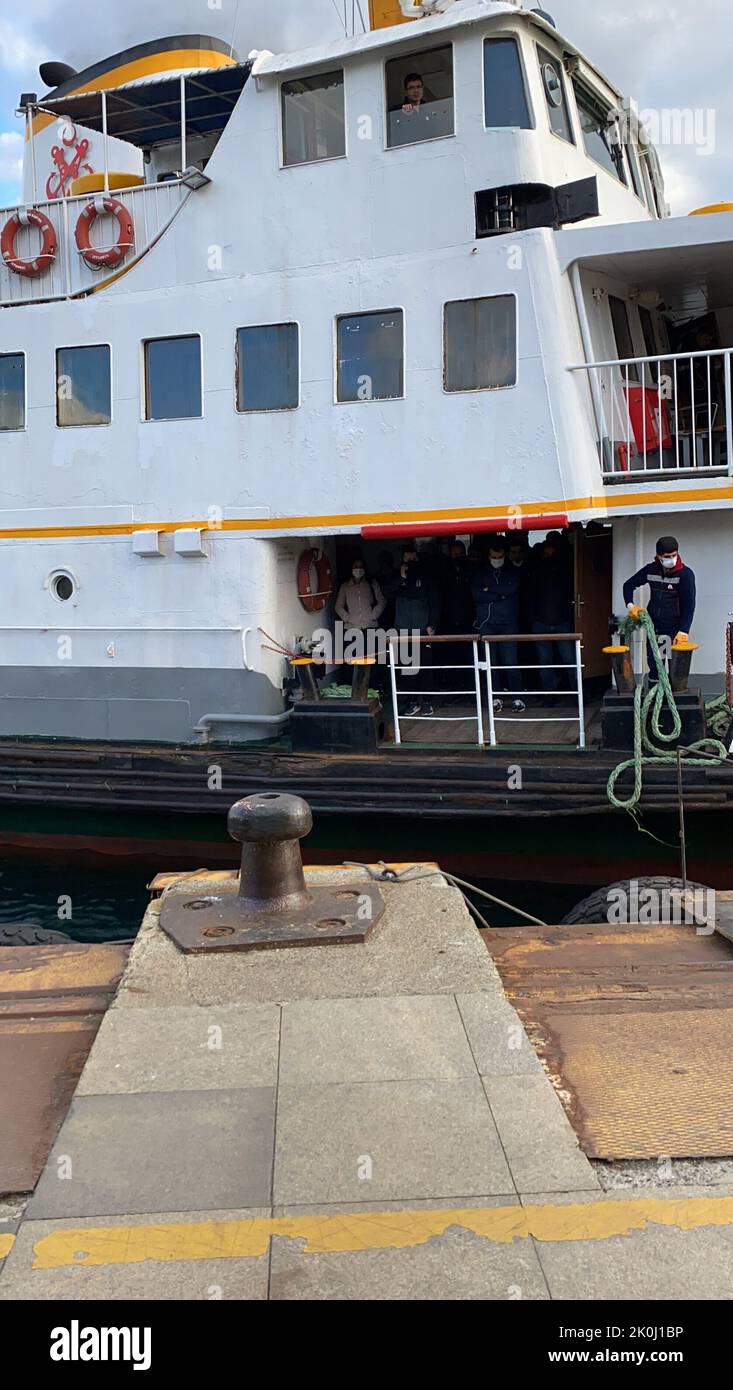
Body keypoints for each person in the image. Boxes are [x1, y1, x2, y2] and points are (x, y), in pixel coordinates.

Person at [622, 535, 696, 672]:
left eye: (674, 555)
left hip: (675, 631)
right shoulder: (651, 570)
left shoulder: (685, 575)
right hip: (655, 628)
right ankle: (655, 691)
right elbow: (628, 585)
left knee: (675, 670)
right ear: (659, 556)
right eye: (667, 556)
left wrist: (684, 631)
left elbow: (689, 605)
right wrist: (631, 606)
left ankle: (671, 692)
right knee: (657, 668)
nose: (671, 559)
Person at [471, 541, 525, 713]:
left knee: (510, 661)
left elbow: (512, 589)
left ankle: (517, 698)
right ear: (488, 556)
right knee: (490, 662)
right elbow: (477, 595)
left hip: (509, 623)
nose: (497, 560)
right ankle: (495, 697)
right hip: (487, 623)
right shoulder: (480, 572)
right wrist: (500, 594)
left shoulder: (512, 570)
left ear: (505, 555)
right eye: (494, 557)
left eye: (500, 557)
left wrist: (490, 590)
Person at [388, 545, 441, 718]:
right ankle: (411, 702)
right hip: (402, 629)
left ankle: (427, 702)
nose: (410, 562)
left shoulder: (427, 576)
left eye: (413, 558)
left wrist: (432, 624)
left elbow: (435, 601)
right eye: (407, 559)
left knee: (425, 668)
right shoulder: (396, 576)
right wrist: (401, 577)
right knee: (406, 668)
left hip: (422, 629)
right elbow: (387, 593)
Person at [527, 532, 575, 704]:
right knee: (548, 663)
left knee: (568, 661)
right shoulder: (537, 569)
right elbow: (530, 596)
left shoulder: (566, 567)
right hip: (543, 621)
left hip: (558, 620)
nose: (549, 552)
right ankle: (552, 696)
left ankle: (574, 694)